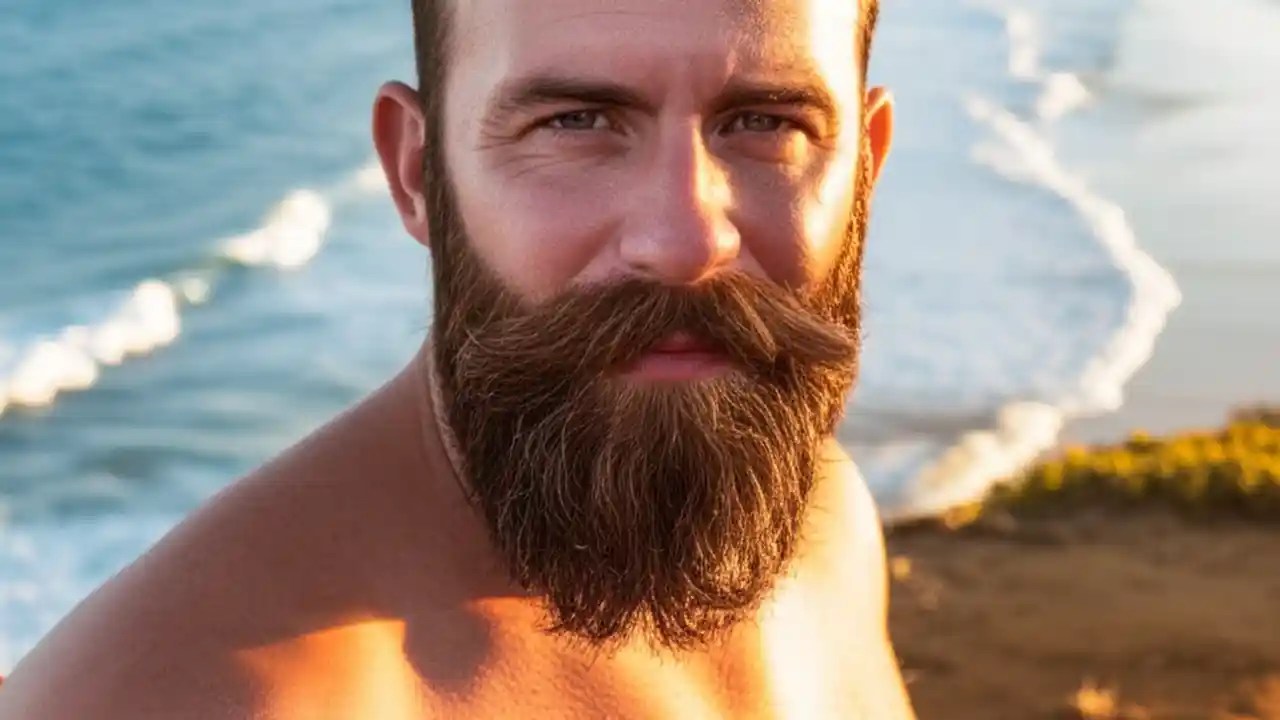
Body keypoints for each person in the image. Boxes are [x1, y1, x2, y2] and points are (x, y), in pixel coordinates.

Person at [0, 0, 912, 716]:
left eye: (765, 122)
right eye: (576, 121)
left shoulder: (817, 524)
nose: (682, 239)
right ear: (414, 174)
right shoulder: (184, 702)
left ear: (865, 165)